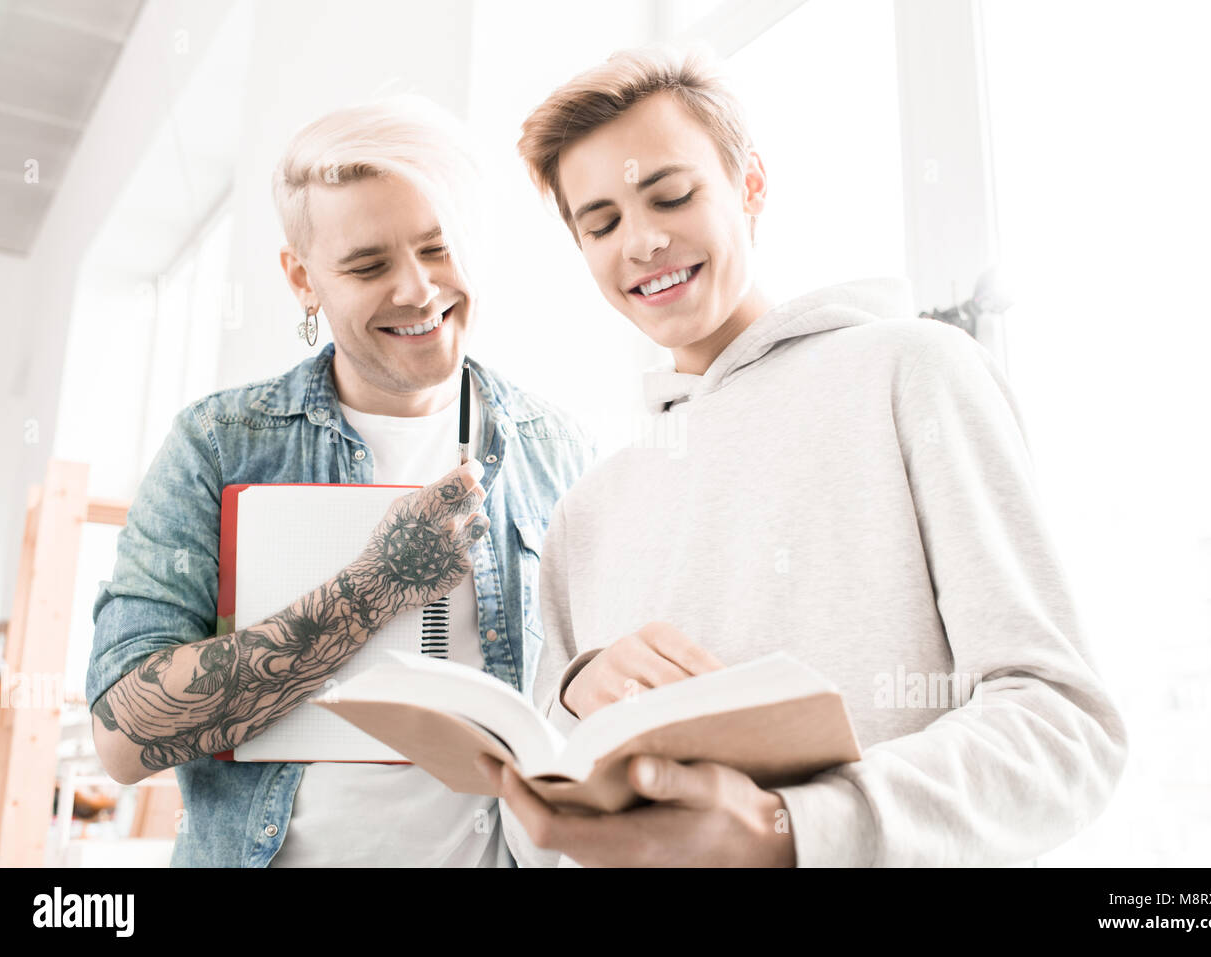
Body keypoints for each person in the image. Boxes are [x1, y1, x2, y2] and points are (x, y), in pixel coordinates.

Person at [480, 46, 1129, 866]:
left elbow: (1064, 728)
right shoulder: (589, 512)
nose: (641, 241)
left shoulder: (912, 372)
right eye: (601, 223)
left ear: (750, 185)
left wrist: (792, 827)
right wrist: (575, 702)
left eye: (671, 195)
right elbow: (540, 843)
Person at [87, 95, 596, 867]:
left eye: (439, 247)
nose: (418, 290)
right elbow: (124, 737)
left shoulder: (559, 450)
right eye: (367, 265)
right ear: (302, 279)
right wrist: (377, 587)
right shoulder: (219, 444)